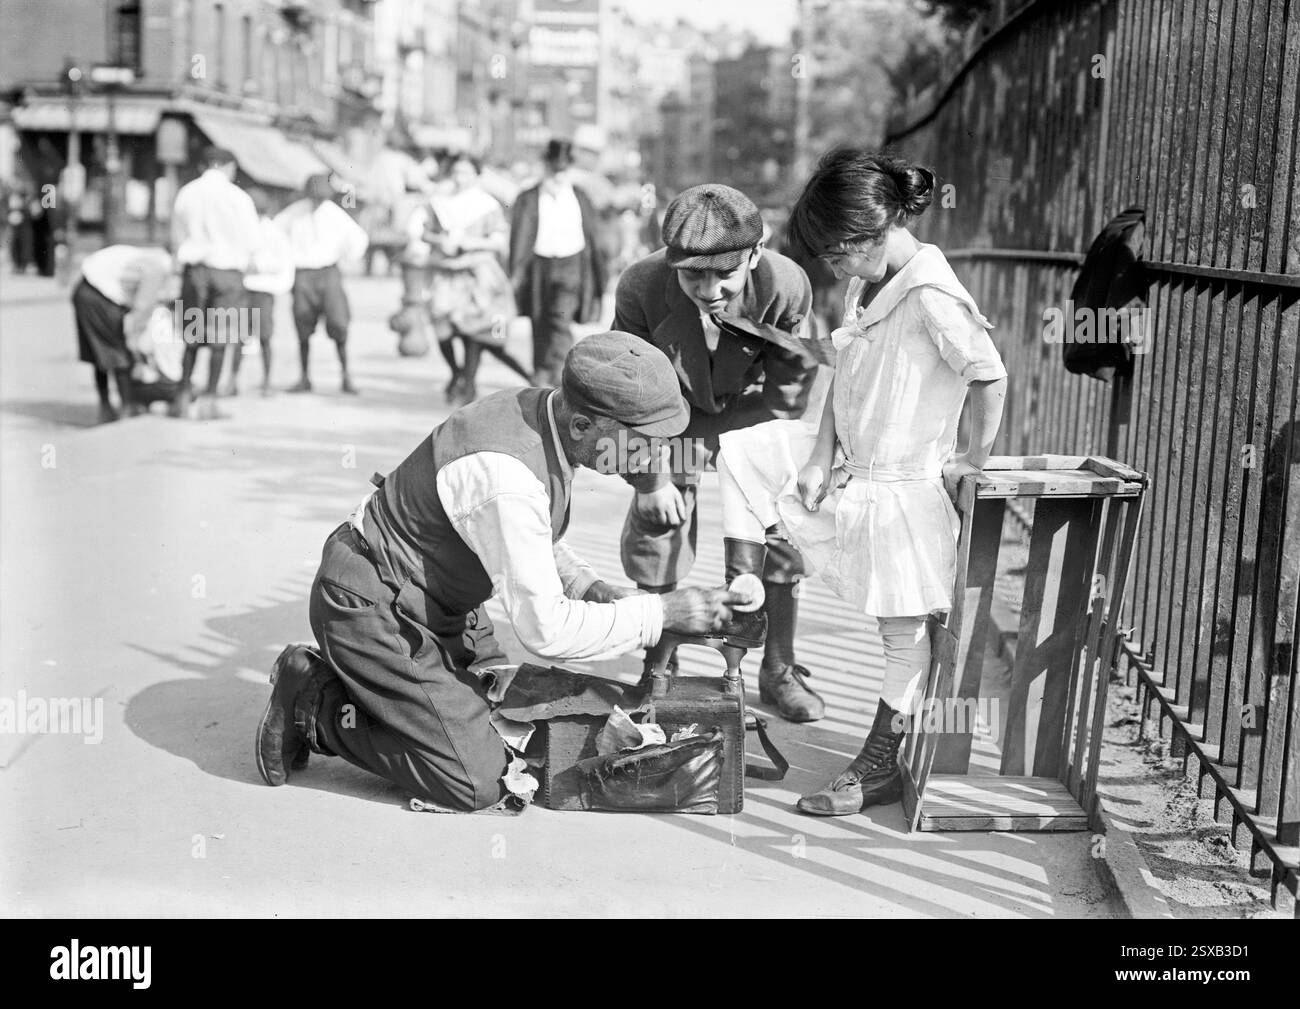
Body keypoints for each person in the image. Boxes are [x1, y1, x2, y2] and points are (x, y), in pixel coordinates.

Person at [254, 332, 745, 811]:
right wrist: (659, 613)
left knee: (515, 718)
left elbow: (532, 535)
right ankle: (313, 702)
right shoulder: (506, 475)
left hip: (435, 602)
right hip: (372, 606)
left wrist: (588, 587)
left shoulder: (543, 413)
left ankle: (393, 698)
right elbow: (546, 631)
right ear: (581, 427)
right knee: (478, 779)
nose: (655, 456)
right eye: (642, 441)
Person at [718, 148, 1008, 816]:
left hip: (904, 487)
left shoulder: (932, 293)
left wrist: (972, 459)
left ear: (872, 231)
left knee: (902, 634)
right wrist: (819, 454)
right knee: (741, 452)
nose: (833, 268)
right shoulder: (867, 284)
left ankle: (882, 759)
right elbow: (841, 382)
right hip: (855, 473)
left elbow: (988, 373)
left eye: (836, 253)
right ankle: (747, 602)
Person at [611, 183, 826, 722]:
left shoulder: (785, 285)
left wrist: (772, 472)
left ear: (754, 255)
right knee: (659, 522)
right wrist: (651, 480)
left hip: (755, 408)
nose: (707, 290)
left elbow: (792, 387)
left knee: (775, 530)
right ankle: (659, 666)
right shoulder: (640, 285)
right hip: (674, 411)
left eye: (722, 276)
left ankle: (777, 667)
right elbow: (629, 389)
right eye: (692, 275)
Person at [422, 153, 532, 404]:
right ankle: (456, 372)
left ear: (476, 176)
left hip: (479, 272)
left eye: (466, 173)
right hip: (448, 272)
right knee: (443, 329)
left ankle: (468, 385)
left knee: (475, 330)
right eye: (456, 172)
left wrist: (470, 242)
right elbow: (425, 233)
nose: (460, 178)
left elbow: (499, 239)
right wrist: (442, 241)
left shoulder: (487, 205)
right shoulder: (439, 202)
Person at [170, 146, 261, 419]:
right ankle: (208, 400)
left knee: (192, 336)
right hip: (227, 273)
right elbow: (253, 241)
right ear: (224, 166)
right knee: (221, 338)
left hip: (195, 270)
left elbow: (176, 236)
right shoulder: (239, 197)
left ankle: (183, 398)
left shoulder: (186, 193)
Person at [508, 138, 606, 387]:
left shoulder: (580, 197)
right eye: (554, 169)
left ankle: (561, 372)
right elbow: (518, 238)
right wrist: (516, 272)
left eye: (563, 170)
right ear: (545, 166)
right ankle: (542, 370)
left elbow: (593, 237)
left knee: (560, 319)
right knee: (539, 318)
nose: (558, 175)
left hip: (571, 265)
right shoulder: (528, 197)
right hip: (538, 266)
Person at [276, 173, 369, 394]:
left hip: (329, 273)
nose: (317, 201)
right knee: (302, 324)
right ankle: (304, 377)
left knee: (338, 323)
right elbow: (274, 232)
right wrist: (283, 261)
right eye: (313, 196)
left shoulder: (335, 214)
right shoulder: (295, 213)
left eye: (321, 197)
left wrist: (349, 257)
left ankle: (346, 376)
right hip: (303, 275)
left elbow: (358, 239)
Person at [71, 244, 174, 422]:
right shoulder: (157, 269)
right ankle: (127, 407)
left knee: (98, 354)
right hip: (101, 298)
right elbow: (141, 308)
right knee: (118, 351)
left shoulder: (146, 256)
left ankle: (106, 407)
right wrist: (133, 339)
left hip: (84, 289)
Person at [226, 187, 294, 396]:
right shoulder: (241, 231)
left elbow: (282, 262)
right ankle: (233, 380)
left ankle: (266, 381)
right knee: (240, 337)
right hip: (245, 288)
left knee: (264, 336)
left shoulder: (273, 233)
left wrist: (259, 265)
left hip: (263, 290)